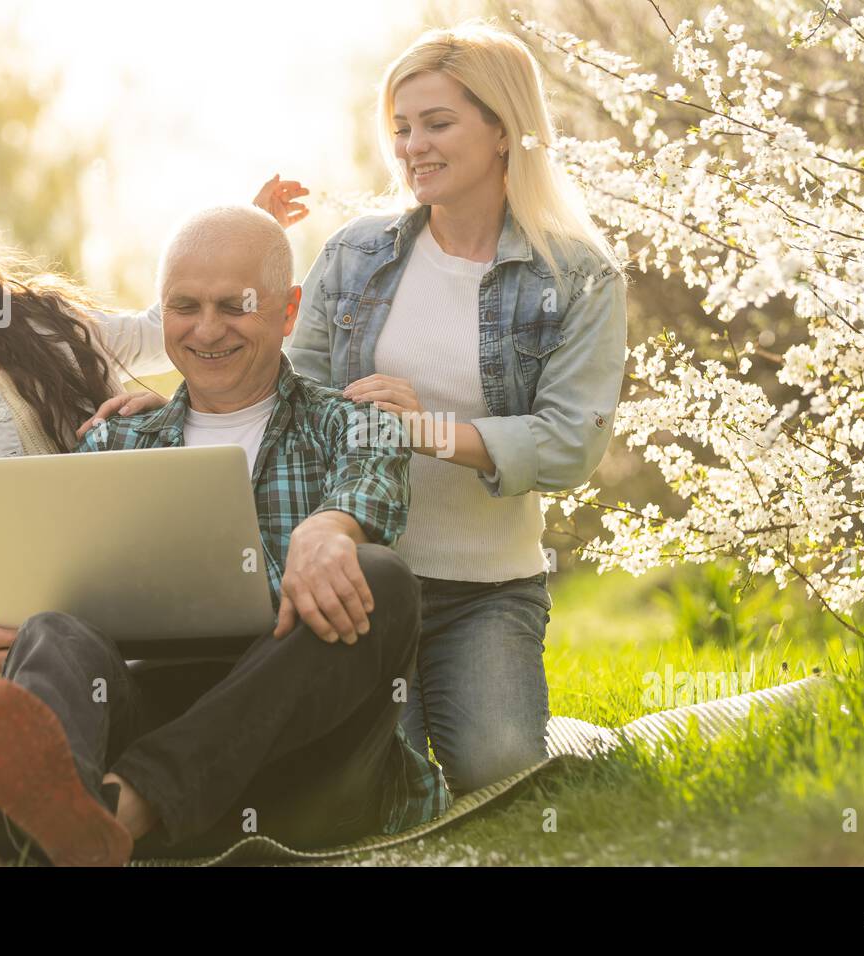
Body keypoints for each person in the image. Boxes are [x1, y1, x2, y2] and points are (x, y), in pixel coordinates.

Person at [0, 151, 309, 848]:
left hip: (100, 620)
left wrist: (244, 231)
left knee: (108, 740)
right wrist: (32, 509)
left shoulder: (37, 325)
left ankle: (79, 786)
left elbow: (148, 329)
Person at [0, 205, 449, 866]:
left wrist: (330, 529)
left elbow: (372, 488)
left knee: (382, 580)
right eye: (184, 306)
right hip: (152, 727)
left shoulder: (356, 422)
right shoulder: (116, 441)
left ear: (289, 310)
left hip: (303, 769)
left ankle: (106, 815)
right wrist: (11, 644)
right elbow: (62, 605)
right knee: (50, 631)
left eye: (234, 306)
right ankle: (84, 819)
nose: (207, 329)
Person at [285, 22, 628, 793]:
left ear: (505, 132)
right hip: (368, 580)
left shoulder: (579, 276)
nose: (412, 147)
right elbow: (291, 396)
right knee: (372, 786)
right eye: (401, 128)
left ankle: (543, 731)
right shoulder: (355, 253)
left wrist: (428, 432)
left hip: (490, 590)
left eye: (437, 124)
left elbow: (570, 445)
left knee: (498, 772)